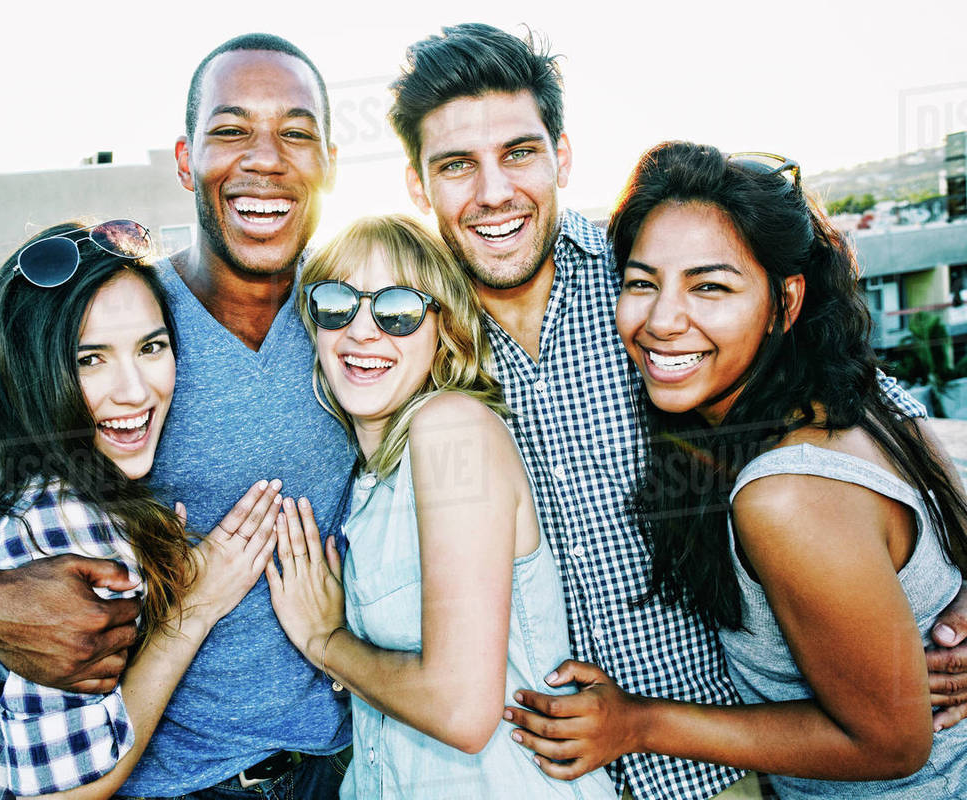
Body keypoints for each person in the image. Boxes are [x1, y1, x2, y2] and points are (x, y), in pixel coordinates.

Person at [386, 23, 967, 800]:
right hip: (556, 779)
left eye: (519, 152)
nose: (493, 192)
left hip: (735, 765)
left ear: (561, 155)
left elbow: (870, 405)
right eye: (456, 165)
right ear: (420, 186)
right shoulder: (416, 338)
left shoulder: (653, 281)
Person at [0, 34, 356, 799]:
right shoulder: (116, 317)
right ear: (185, 160)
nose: (265, 158)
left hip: (336, 764)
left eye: (296, 132)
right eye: (231, 130)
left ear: (330, 164)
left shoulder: (359, 323)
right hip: (163, 782)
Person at [503, 140, 967, 799]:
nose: (663, 321)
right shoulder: (861, 396)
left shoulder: (786, 496)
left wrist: (639, 723)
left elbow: (893, 742)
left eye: (711, 287)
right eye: (641, 282)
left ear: (785, 302)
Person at [0, 221, 281, 798]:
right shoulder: (63, 524)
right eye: (90, 359)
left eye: (150, 347)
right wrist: (196, 608)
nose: (133, 390)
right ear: (35, 371)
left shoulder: (3, 475)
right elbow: (76, 792)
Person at [264, 214, 617, 800]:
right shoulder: (369, 482)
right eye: (336, 303)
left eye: (397, 310)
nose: (362, 330)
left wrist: (326, 641)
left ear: (444, 330)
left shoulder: (452, 430)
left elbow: (461, 710)